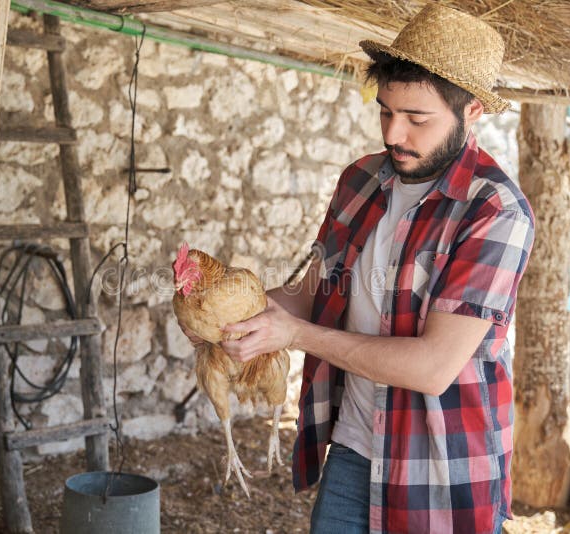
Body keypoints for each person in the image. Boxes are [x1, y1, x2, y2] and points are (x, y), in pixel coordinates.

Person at [181, 4, 534, 533]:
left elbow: (433, 367)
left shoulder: (494, 212)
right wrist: (224, 312)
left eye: (417, 120)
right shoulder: (363, 180)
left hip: (439, 465)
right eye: (386, 111)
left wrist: (295, 334)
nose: (394, 134)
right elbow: (314, 292)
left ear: (473, 111)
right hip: (353, 446)